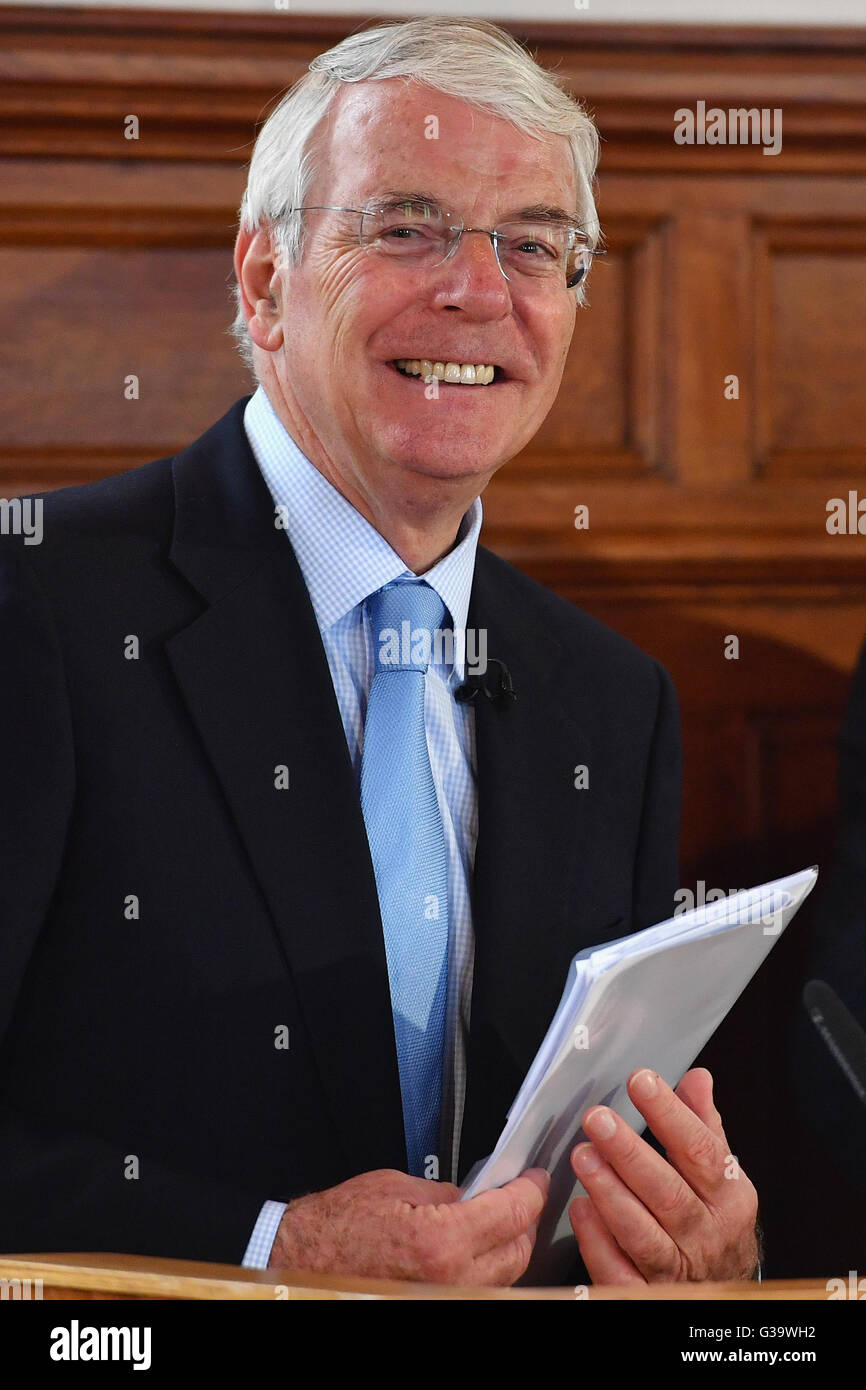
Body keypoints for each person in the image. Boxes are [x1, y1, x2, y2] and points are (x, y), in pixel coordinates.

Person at [0, 17, 758, 1286]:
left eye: (532, 244)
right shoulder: (37, 608)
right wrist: (268, 1249)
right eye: (405, 225)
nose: (477, 289)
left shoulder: (609, 702)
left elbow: (579, 1178)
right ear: (261, 280)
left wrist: (703, 1266)